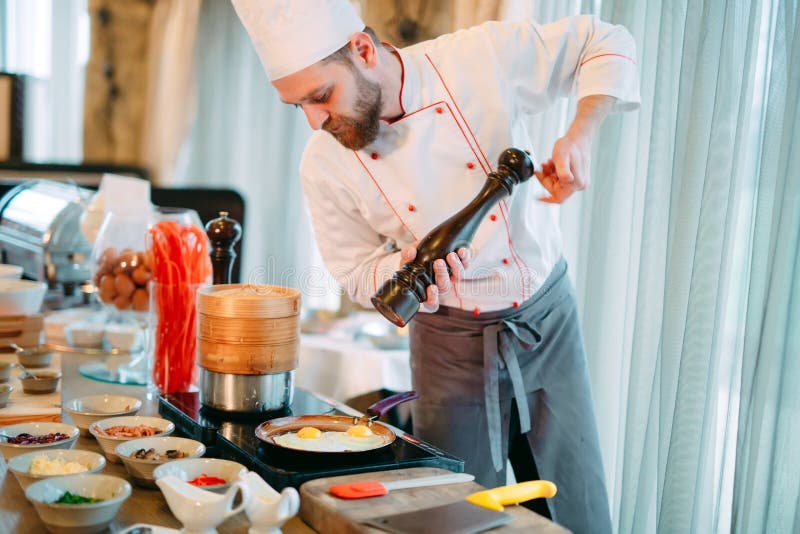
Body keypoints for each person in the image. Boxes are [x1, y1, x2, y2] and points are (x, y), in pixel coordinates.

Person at [232, 1, 639, 532]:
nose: (315, 121)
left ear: (362, 50)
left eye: (321, 96)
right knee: (455, 510)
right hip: (445, 341)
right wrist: (402, 272)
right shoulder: (323, 163)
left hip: (546, 321)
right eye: (298, 107)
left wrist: (581, 132)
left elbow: (605, 41)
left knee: (575, 502)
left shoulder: (477, 58)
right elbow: (355, 270)